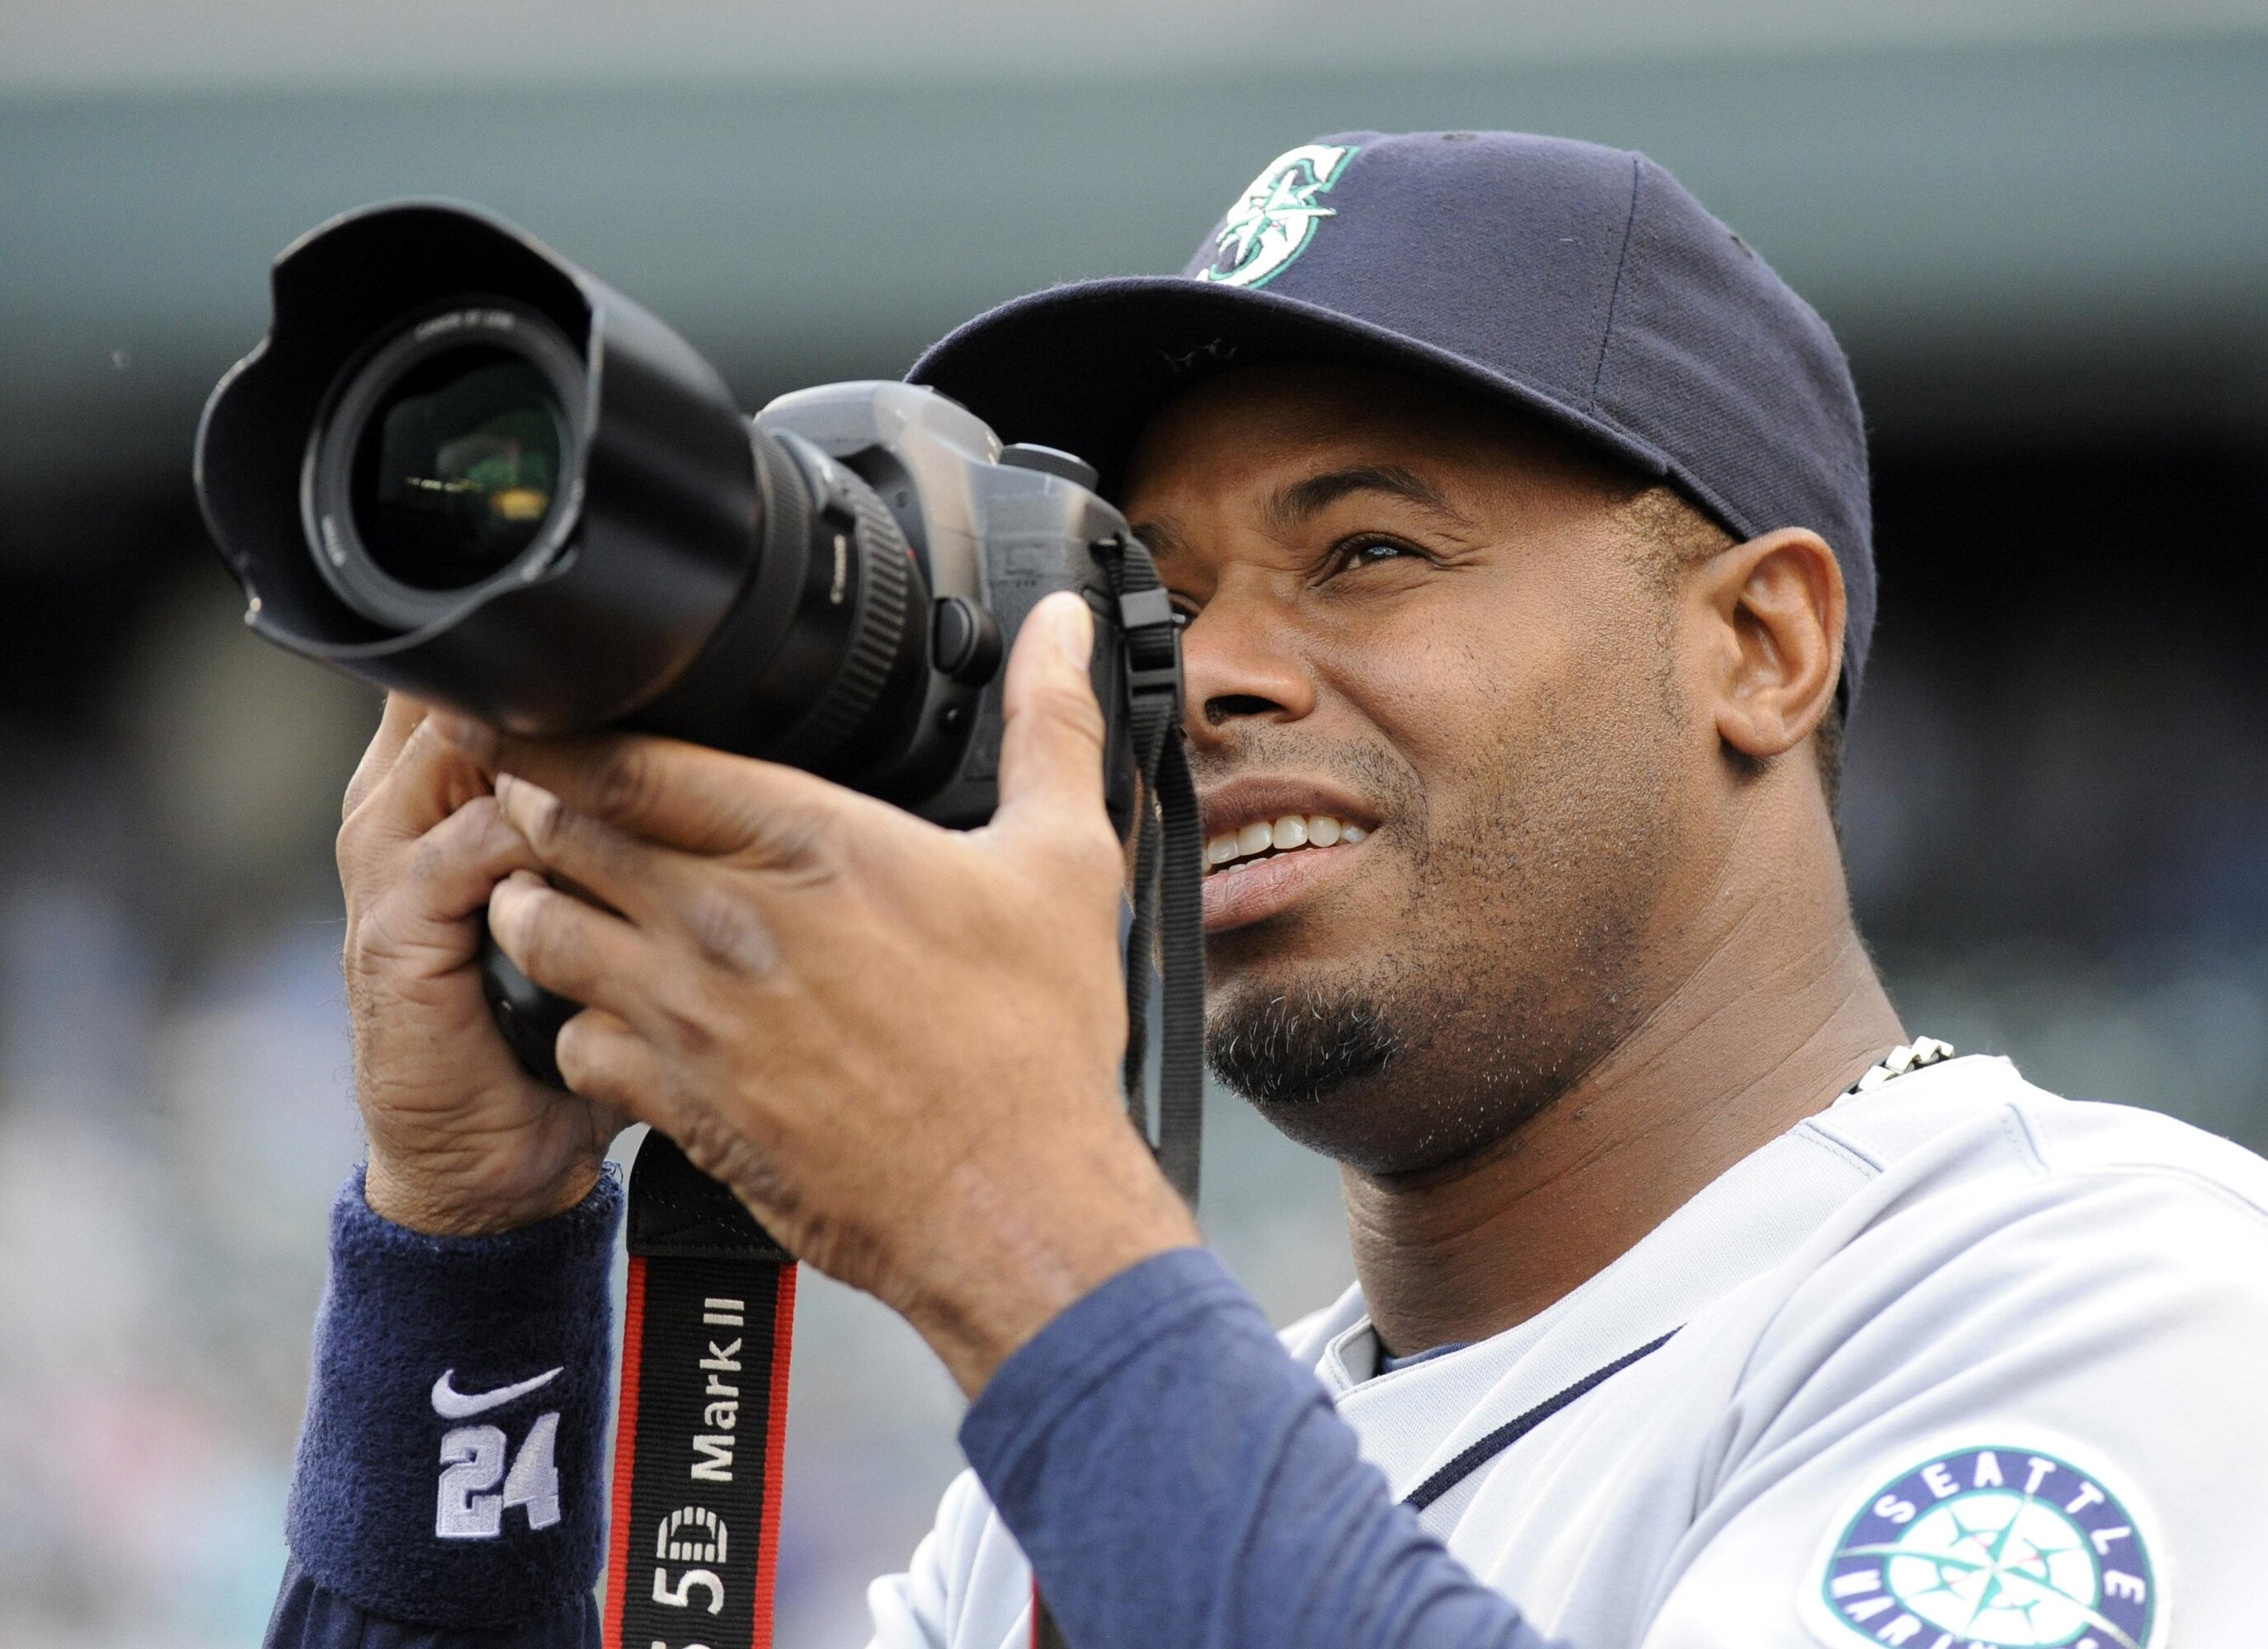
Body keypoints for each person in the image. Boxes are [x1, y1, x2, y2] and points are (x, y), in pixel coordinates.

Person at [266, 133, 2268, 1649]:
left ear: (1761, 645)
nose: (1204, 670)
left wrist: (1007, 1215)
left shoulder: (2116, 1293)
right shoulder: (1065, 1496)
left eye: (1371, 550)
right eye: (1147, 593)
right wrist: (478, 1247)